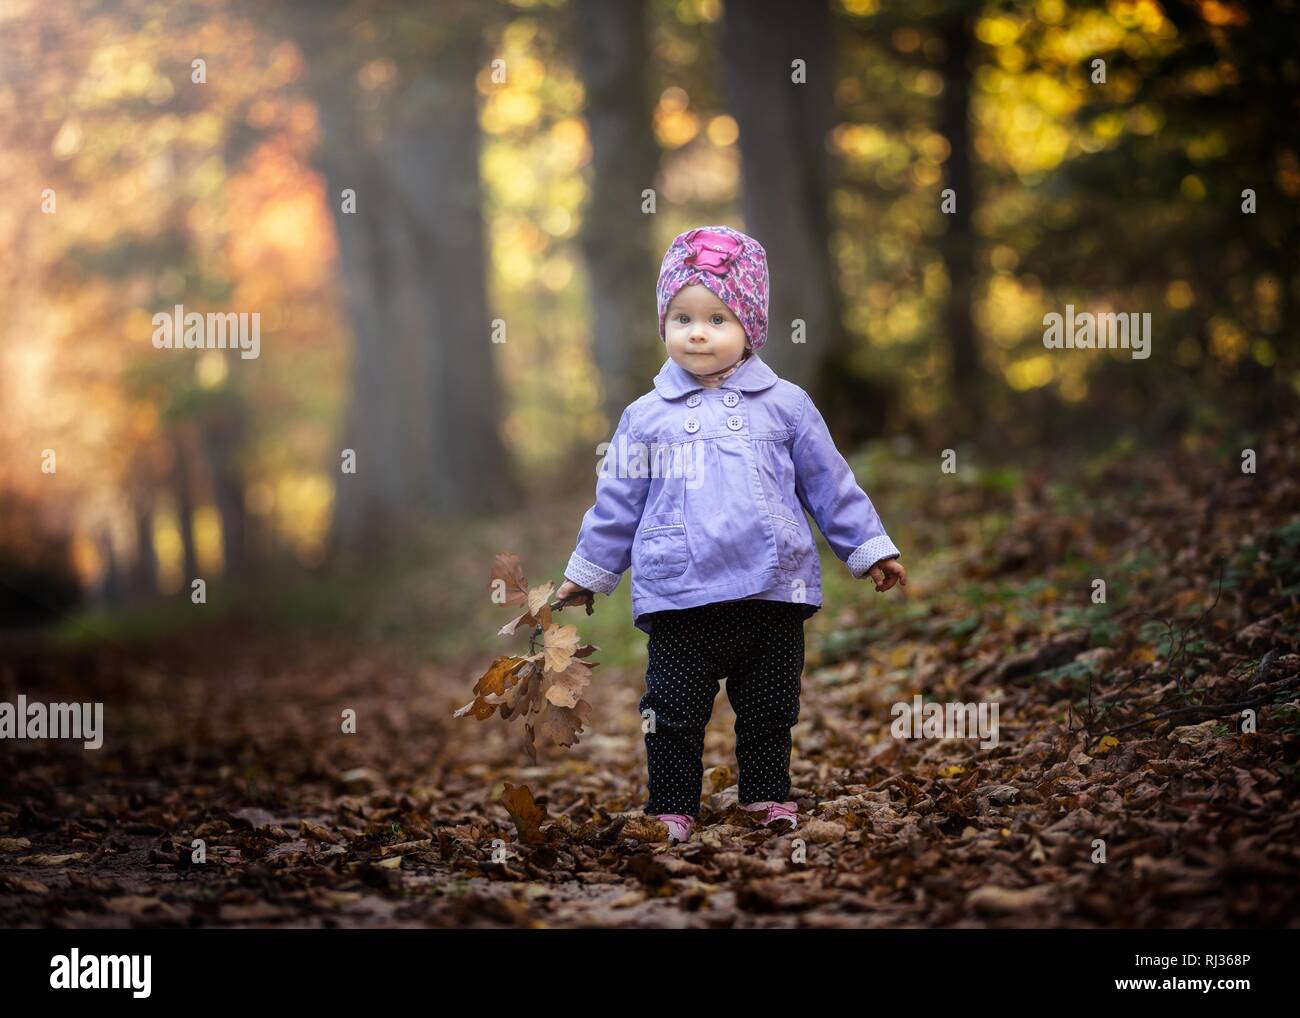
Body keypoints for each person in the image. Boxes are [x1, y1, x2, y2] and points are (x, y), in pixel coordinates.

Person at [553, 225, 906, 844]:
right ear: (663, 323)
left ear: (750, 327)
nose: (697, 331)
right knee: (670, 713)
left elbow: (830, 484)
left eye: (717, 318)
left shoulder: (786, 405)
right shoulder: (644, 416)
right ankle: (672, 807)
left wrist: (869, 549)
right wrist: (588, 572)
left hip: (772, 590)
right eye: (682, 317)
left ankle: (764, 798)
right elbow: (617, 504)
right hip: (680, 596)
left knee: (770, 709)